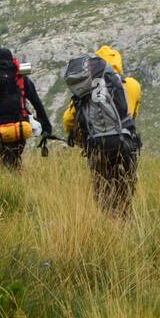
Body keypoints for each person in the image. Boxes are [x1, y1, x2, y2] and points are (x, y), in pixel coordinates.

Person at [63, 45, 142, 217]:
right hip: (124, 143)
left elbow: (68, 118)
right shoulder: (133, 85)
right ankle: (124, 222)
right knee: (126, 190)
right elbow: (133, 114)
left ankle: (105, 224)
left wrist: (77, 137)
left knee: (102, 189)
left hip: (97, 144)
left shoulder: (86, 86)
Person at [0, 47, 52, 170]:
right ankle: (16, 175)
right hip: (20, 125)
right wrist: (46, 126)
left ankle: (2, 180)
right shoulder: (22, 79)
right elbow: (36, 102)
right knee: (16, 156)